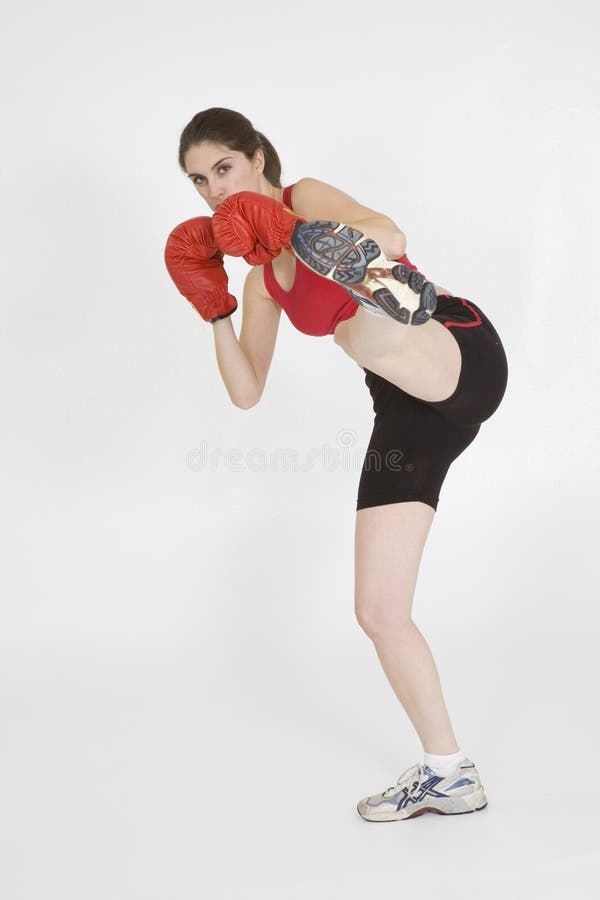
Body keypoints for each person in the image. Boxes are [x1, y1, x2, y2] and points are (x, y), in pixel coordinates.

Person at [164, 107, 508, 822]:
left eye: (222, 169)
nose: (212, 191)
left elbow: (390, 235)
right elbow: (246, 391)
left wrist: (295, 234)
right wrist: (215, 305)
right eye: (198, 181)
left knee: (371, 334)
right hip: (408, 411)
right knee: (377, 610)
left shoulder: (306, 197)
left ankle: (379, 293)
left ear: (257, 157)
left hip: (452, 347)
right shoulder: (263, 283)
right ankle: (449, 774)